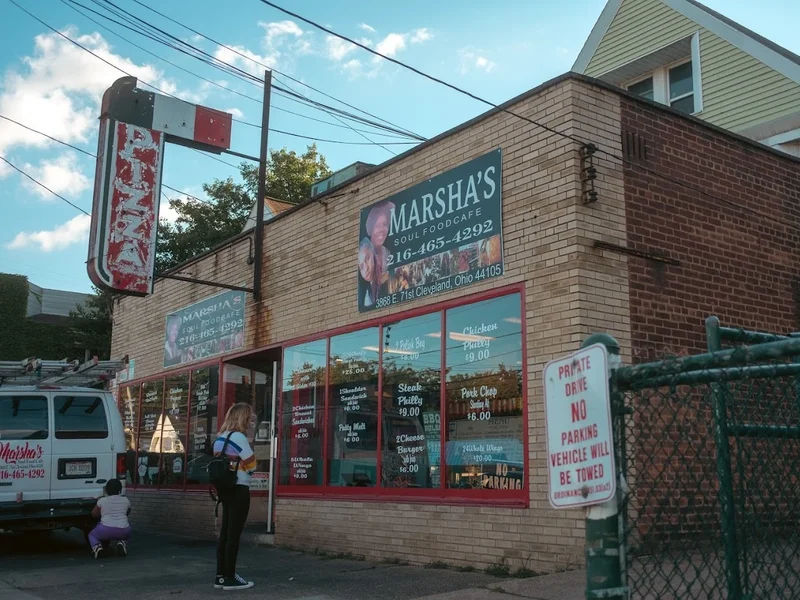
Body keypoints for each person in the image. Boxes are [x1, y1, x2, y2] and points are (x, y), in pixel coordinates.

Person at [212, 403, 257, 591]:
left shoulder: (219, 438)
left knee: (225, 533)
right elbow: (252, 465)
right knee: (234, 535)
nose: (251, 420)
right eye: (250, 417)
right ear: (242, 418)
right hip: (239, 488)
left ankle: (221, 576)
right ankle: (230, 577)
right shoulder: (239, 437)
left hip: (225, 489)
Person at [88, 478, 131, 559]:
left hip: (105, 530)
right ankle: (122, 542)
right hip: (124, 530)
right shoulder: (126, 500)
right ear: (120, 490)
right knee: (126, 531)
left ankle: (97, 547)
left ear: (106, 490)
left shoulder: (102, 501)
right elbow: (128, 512)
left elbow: (94, 514)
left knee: (92, 535)